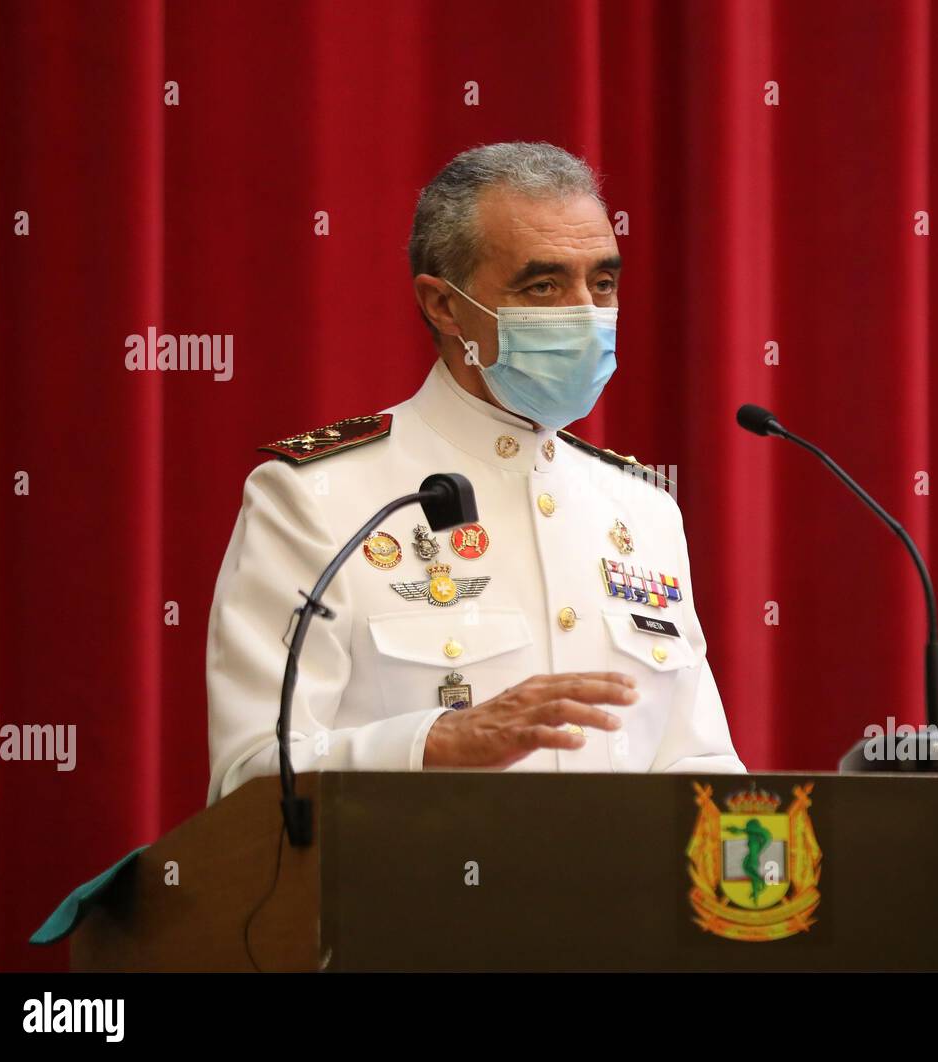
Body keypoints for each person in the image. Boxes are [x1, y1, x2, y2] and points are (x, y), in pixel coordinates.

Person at [206, 142, 745, 805]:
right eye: (543, 286)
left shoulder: (641, 510)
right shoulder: (318, 497)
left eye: (602, 283)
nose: (586, 313)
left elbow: (701, 768)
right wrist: (432, 743)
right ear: (443, 306)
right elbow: (252, 776)